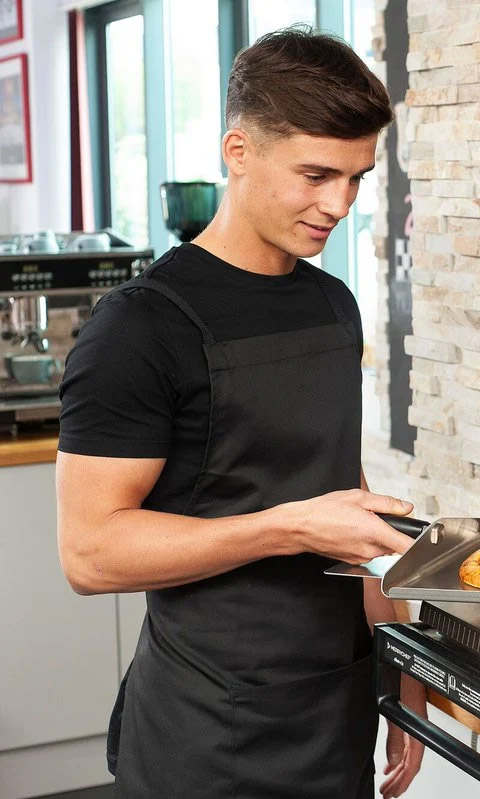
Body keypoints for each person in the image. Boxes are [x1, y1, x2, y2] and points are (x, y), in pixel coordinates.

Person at [56, 27, 426, 799]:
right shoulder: (139, 326)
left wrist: (401, 665)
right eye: (317, 175)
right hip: (206, 726)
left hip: (332, 705)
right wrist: (289, 526)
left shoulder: (332, 303)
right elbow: (90, 553)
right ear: (238, 151)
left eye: (356, 177)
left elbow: (347, 501)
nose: (341, 205)